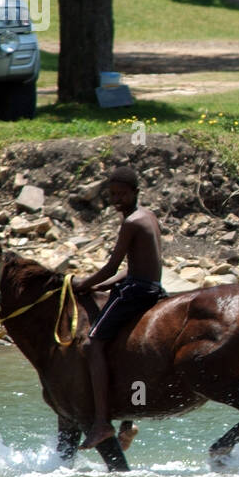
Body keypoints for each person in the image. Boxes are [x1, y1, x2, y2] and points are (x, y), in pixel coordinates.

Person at [74, 166, 165, 449]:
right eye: (112, 194)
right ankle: (128, 419)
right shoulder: (148, 216)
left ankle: (102, 423)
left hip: (136, 291)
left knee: (92, 344)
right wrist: (103, 285)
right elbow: (134, 266)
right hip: (151, 287)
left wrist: (81, 285)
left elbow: (113, 265)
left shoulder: (132, 222)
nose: (117, 199)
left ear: (136, 192)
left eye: (122, 194)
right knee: (122, 346)